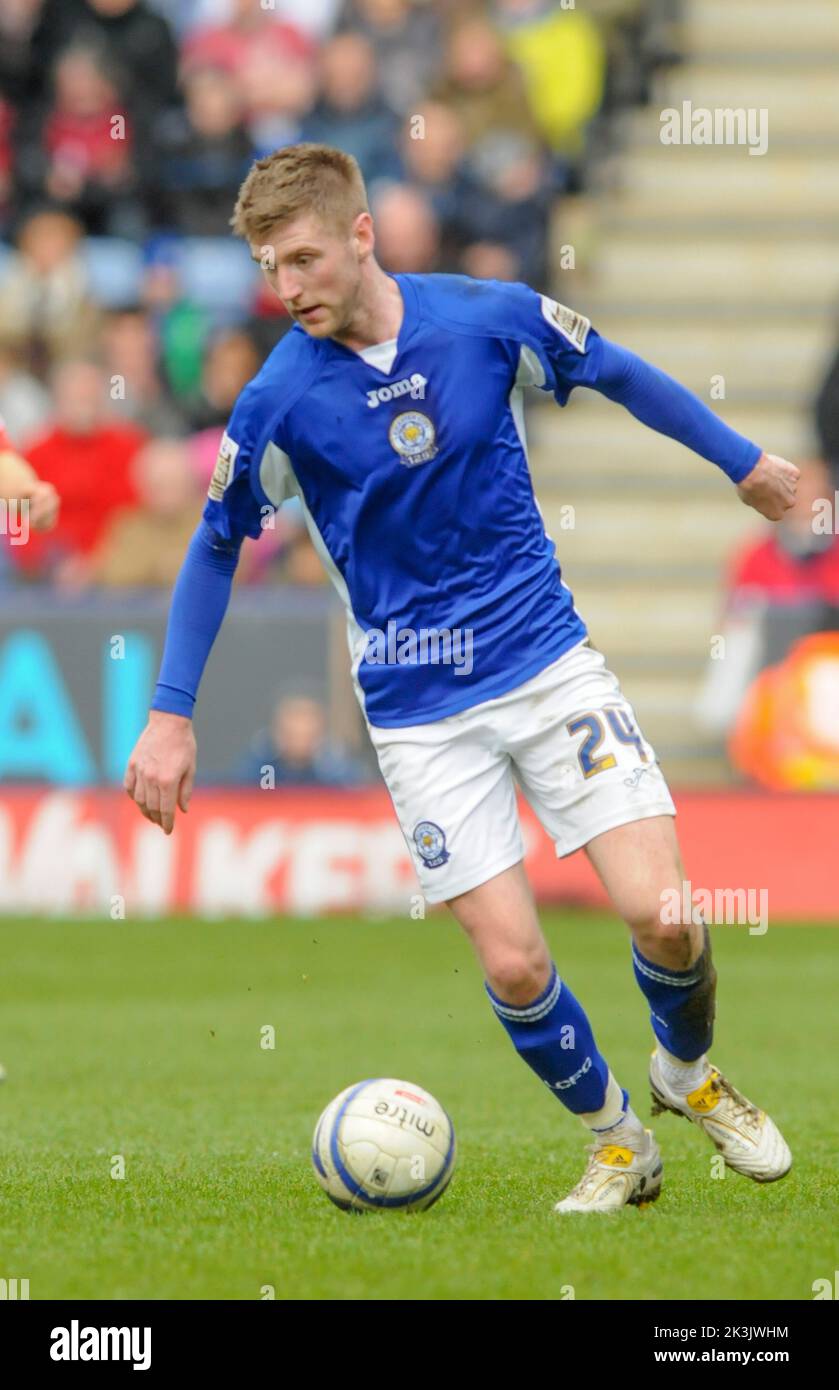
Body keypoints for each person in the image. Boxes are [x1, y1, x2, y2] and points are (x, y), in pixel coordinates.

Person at [124, 143, 799, 1213]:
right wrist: (169, 714)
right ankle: (619, 1139)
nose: (286, 287)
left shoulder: (486, 319)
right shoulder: (278, 400)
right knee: (517, 965)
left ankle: (687, 1072)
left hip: (545, 666)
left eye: (301, 257)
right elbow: (214, 545)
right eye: (267, 268)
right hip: (417, 717)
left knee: (663, 914)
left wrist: (741, 461)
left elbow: (614, 369)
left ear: (361, 235)